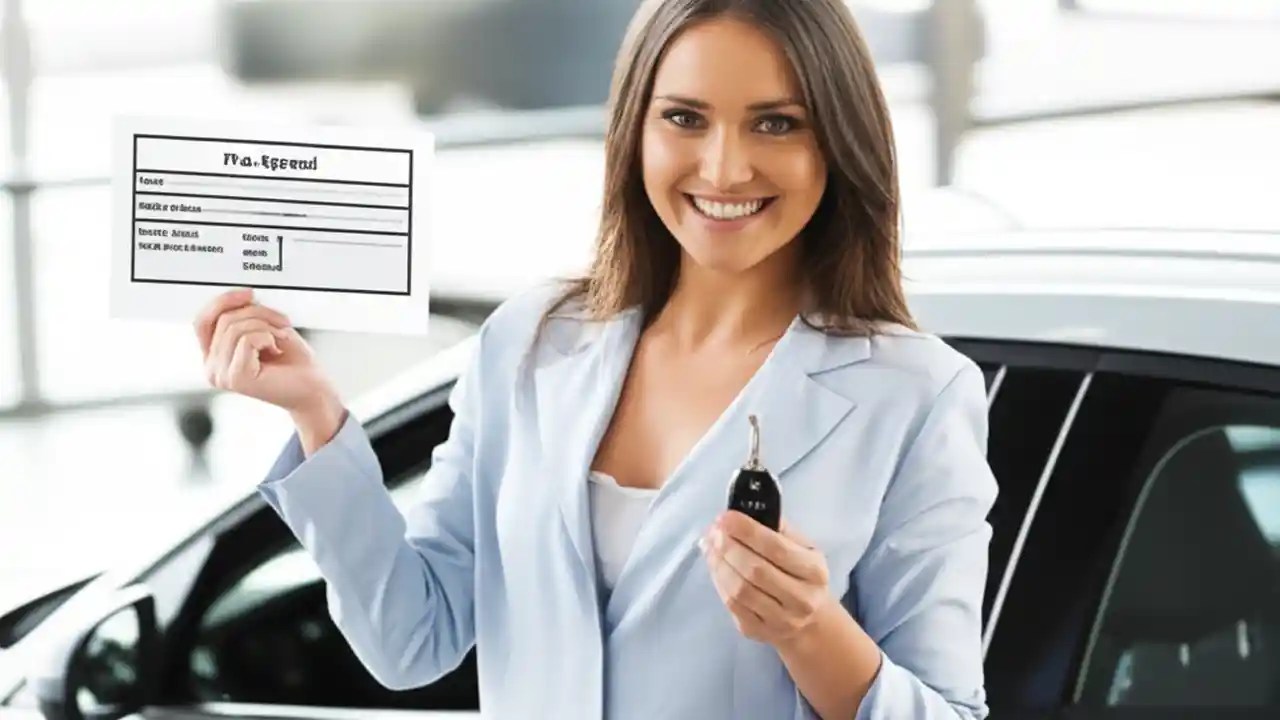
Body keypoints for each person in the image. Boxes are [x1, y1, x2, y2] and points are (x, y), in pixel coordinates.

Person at [193, 0, 998, 717]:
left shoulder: (917, 396)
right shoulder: (531, 343)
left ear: (838, 139)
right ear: (634, 132)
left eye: (775, 122)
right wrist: (315, 415)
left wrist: (811, 631)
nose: (723, 168)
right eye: (685, 118)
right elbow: (412, 639)